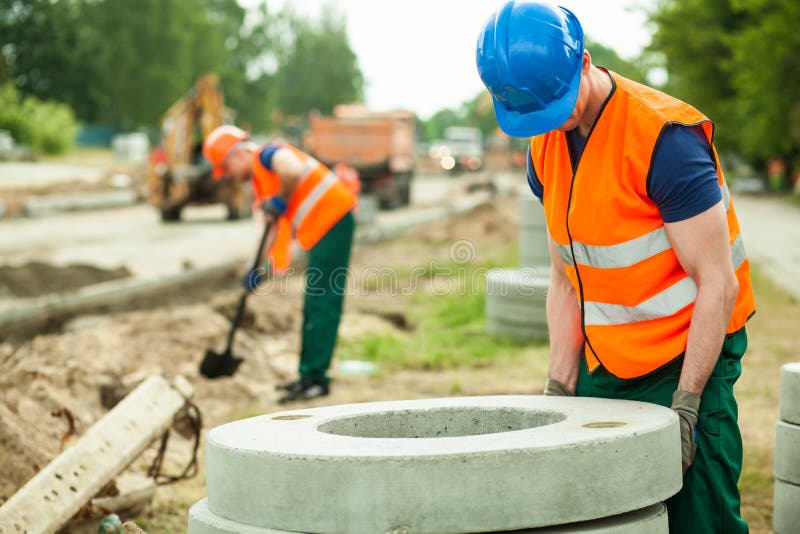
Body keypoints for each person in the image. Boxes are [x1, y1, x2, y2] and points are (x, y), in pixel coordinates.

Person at [476, 2, 756, 532]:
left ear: (584, 63)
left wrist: (689, 407)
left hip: (689, 354)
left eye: (556, 106)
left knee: (701, 517)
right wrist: (559, 390)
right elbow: (565, 279)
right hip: (609, 360)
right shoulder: (545, 146)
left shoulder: (664, 139)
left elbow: (716, 283)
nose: (551, 125)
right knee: (602, 512)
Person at [203, 126, 356, 403]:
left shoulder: (267, 155)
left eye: (226, 167)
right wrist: (256, 270)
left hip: (334, 220)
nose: (229, 175)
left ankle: (316, 379)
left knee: (322, 301)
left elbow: (292, 171)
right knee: (315, 302)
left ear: (237, 154)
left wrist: (282, 199)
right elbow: (270, 231)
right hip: (326, 226)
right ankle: (309, 376)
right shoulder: (263, 183)